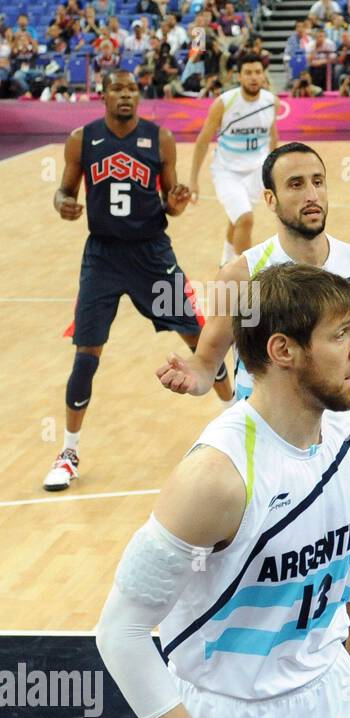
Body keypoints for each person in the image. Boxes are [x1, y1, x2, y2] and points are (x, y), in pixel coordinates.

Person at [97, 262, 350, 718]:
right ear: (283, 350)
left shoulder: (348, 432)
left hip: (332, 709)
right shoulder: (215, 478)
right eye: (341, 334)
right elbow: (120, 633)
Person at [156, 141, 350, 718]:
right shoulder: (245, 272)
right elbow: (211, 361)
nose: (311, 193)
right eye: (295, 183)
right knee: (269, 624)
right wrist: (190, 378)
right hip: (269, 467)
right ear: (268, 200)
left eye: (318, 181)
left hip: (344, 462)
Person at [43, 69, 234, 493]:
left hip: (152, 255)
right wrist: (64, 205)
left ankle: (238, 419)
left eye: (132, 89)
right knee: (86, 352)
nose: (126, 95)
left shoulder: (160, 139)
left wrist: (178, 202)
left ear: (138, 96)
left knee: (199, 339)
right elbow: (63, 192)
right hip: (103, 257)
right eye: (117, 89)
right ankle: (69, 452)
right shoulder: (82, 139)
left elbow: (172, 203)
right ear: (104, 95)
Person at [188, 55, 278, 267]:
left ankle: (226, 261)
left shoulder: (271, 101)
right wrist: (193, 180)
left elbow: (273, 137)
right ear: (239, 76)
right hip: (227, 171)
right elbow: (202, 141)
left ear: (263, 74)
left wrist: (273, 174)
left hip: (257, 170)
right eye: (248, 73)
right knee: (245, 218)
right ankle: (248, 276)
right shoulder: (224, 103)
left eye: (257, 72)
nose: (254, 77)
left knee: (237, 217)